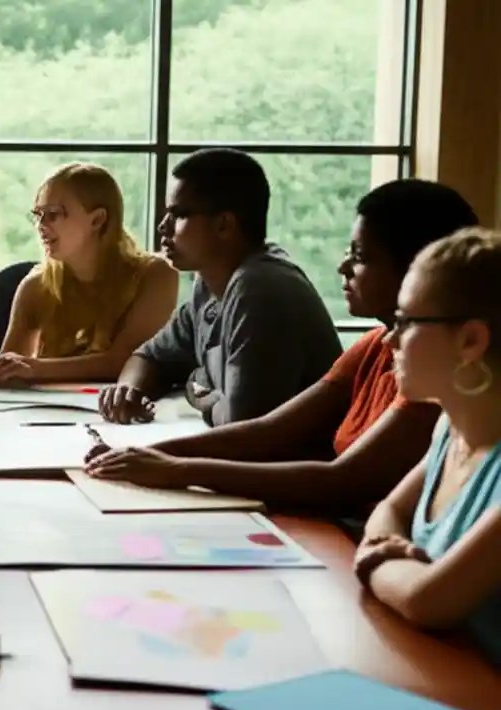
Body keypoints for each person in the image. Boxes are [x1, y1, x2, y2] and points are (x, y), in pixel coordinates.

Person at [85, 180, 477, 512]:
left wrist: (179, 468)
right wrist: (158, 453)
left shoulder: (434, 377)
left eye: (360, 257)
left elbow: (341, 482)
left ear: (419, 269)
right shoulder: (376, 344)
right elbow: (272, 429)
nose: (343, 268)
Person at [98, 148, 341, 427]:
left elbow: (241, 427)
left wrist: (195, 387)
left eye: (179, 214)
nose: (163, 227)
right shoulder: (210, 284)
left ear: (224, 225)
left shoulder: (259, 289)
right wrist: (129, 391)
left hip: (298, 465)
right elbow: (150, 357)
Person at [356, 227, 501, 667]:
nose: (389, 339)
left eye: (405, 322)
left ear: (470, 340)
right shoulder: (450, 430)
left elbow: (428, 601)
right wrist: (392, 550)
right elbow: (390, 510)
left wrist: (373, 559)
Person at [0, 162, 177, 386]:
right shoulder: (35, 285)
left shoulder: (156, 275)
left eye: (53, 214)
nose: (40, 226)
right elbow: (6, 371)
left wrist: (33, 368)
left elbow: (126, 362)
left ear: (98, 220)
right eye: (38, 215)